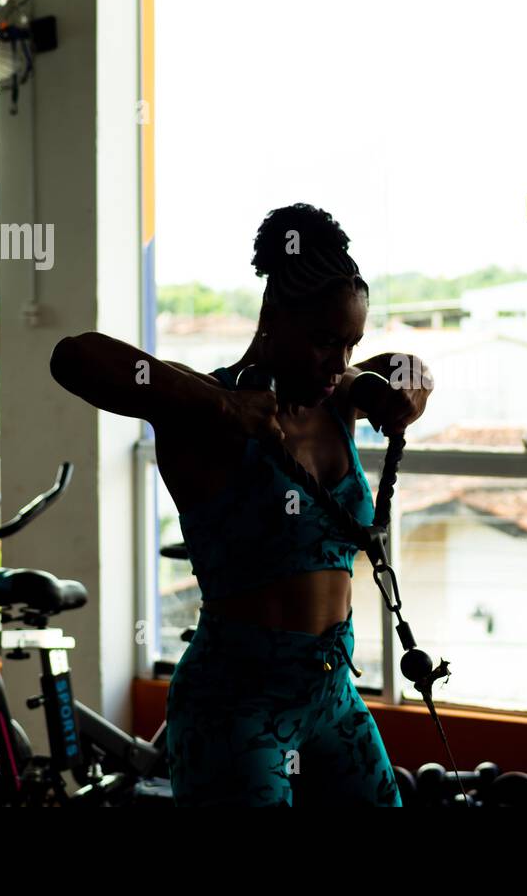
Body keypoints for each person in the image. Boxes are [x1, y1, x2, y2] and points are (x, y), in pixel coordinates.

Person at [49, 203, 433, 806]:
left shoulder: (338, 401)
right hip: (236, 707)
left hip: (333, 696)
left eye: (350, 343)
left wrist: (407, 386)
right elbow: (74, 355)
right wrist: (223, 406)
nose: (338, 362)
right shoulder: (206, 408)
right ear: (272, 316)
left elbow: (404, 368)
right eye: (323, 341)